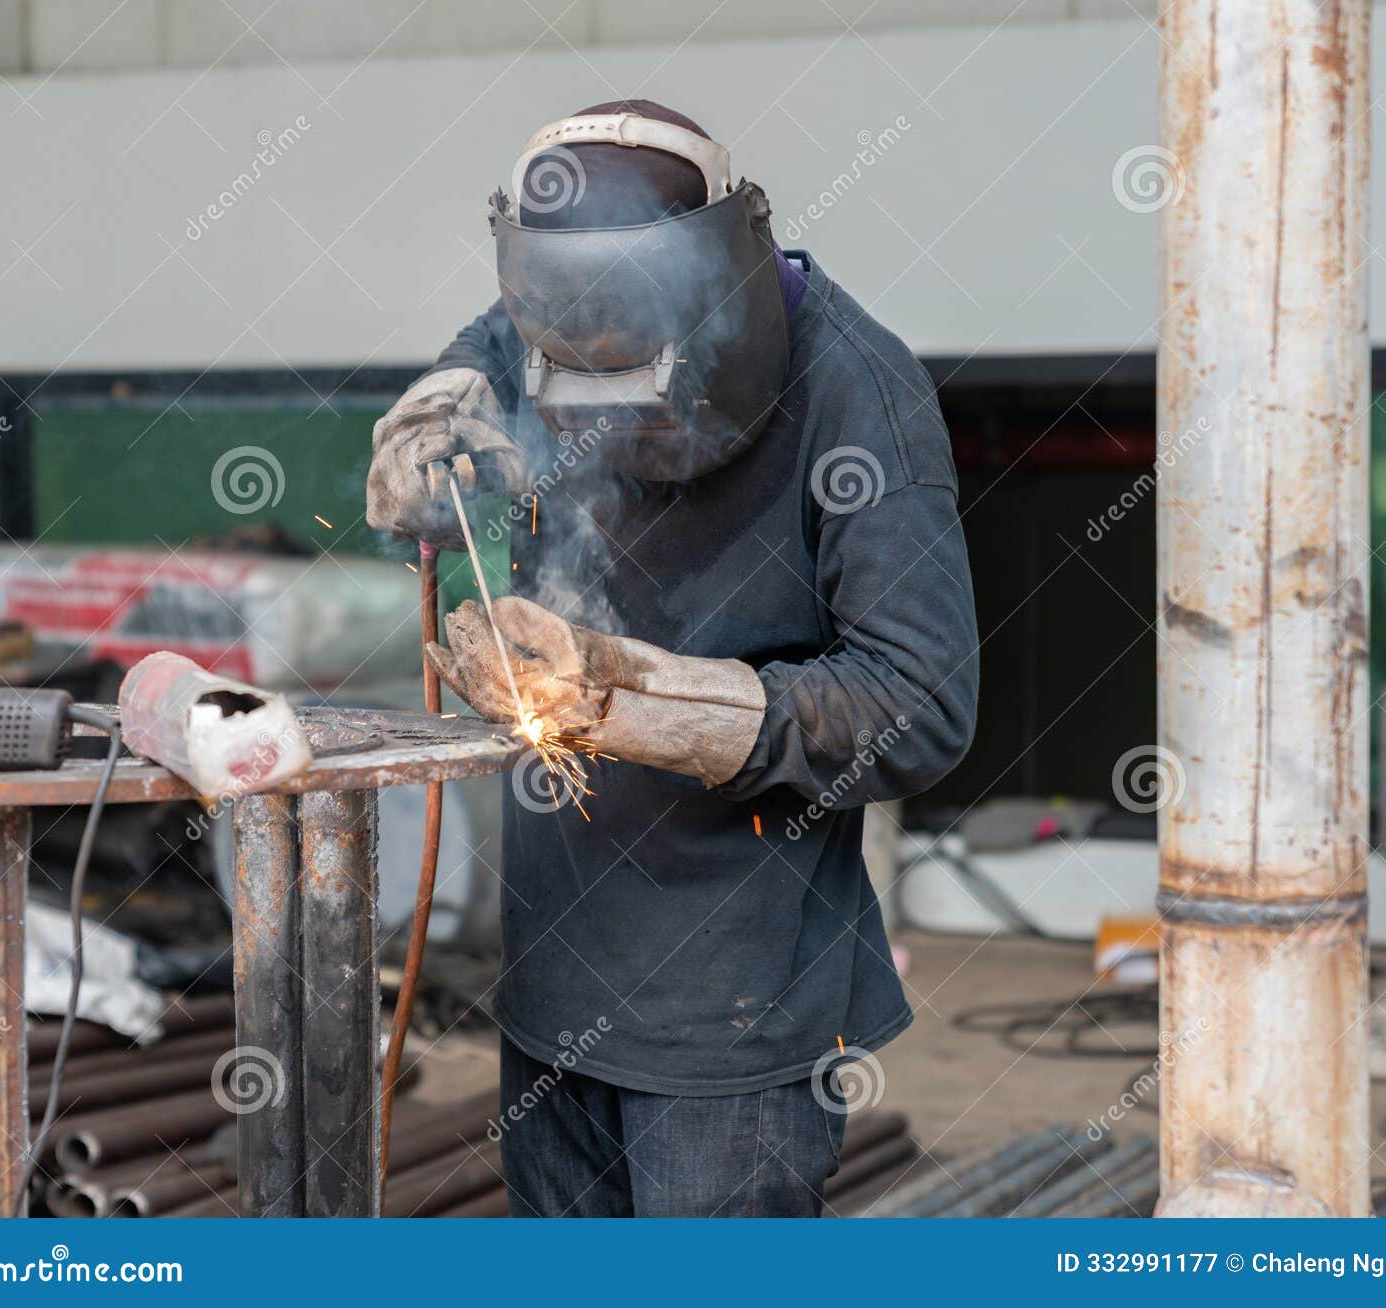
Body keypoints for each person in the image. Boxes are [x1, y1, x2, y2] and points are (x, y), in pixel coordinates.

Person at [366, 99, 978, 1217]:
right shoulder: (553, 320)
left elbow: (921, 702)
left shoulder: (858, 392)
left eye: (637, 367)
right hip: (551, 972)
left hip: (736, 1010)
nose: (605, 399)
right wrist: (428, 420)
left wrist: (629, 700)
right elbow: (483, 351)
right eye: (574, 363)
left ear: (721, 282)